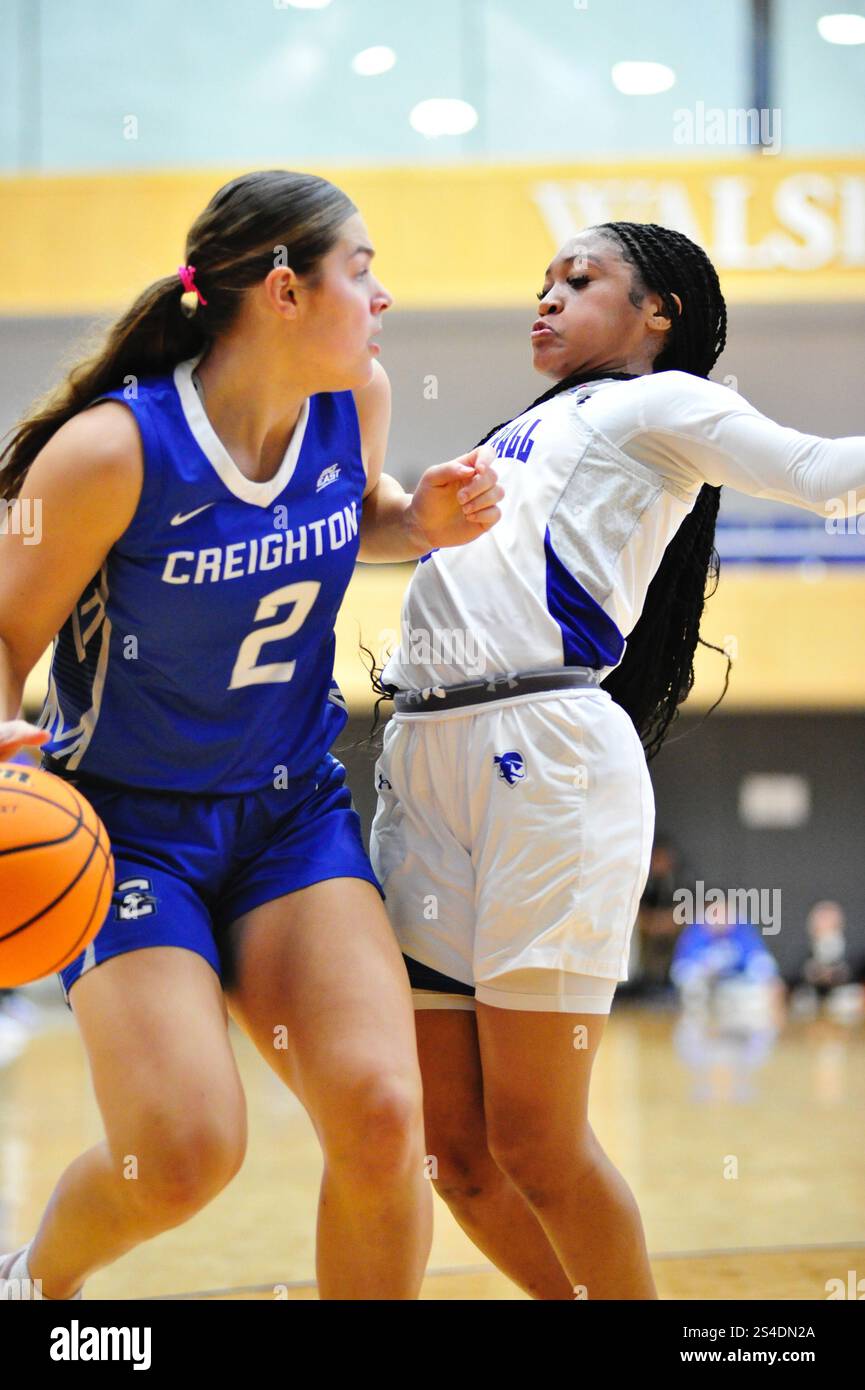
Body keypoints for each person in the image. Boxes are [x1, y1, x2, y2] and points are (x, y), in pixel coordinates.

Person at [0, 169, 503, 1301]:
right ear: (283, 289)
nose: (381, 297)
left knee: (382, 1114)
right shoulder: (112, 454)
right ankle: (33, 1280)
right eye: (359, 270)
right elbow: (3, 628)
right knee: (182, 1153)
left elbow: (349, 509)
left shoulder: (353, 398)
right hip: (125, 832)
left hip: (287, 815)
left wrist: (412, 522)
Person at [367, 220, 865, 1299]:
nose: (543, 298)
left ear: (658, 314)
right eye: (539, 281)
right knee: (455, 1155)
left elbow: (827, 475)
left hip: (542, 752)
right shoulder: (518, 431)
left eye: (577, 280)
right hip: (420, 751)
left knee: (540, 1144)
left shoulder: (662, 399)